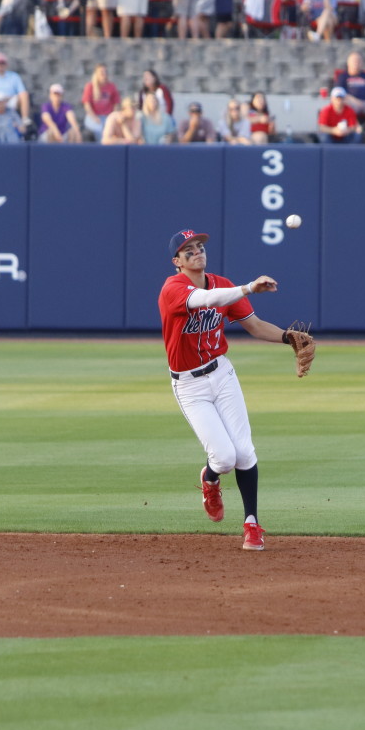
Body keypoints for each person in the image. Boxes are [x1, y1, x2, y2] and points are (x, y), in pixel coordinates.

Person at [158, 228, 299, 552]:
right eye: (188, 250)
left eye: (199, 247)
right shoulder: (173, 288)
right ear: (176, 262)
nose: (197, 252)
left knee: (245, 452)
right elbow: (205, 300)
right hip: (190, 385)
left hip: (222, 374)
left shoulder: (223, 284)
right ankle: (210, 479)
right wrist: (248, 287)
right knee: (223, 457)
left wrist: (288, 338)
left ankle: (252, 524)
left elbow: (255, 325)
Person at [334, 51, 365, 119]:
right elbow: (338, 93)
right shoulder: (343, 76)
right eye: (354, 60)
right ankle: (355, 126)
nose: (356, 63)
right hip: (352, 103)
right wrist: (354, 100)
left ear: (362, 63)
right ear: (348, 63)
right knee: (346, 103)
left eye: (358, 61)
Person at [81, 63, 119, 138]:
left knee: (110, 129)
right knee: (100, 129)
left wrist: (112, 117)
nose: (104, 74)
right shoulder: (90, 86)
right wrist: (94, 118)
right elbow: (87, 106)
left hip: (107, 117)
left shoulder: (111, 86)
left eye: (105, 72)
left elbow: (116, 104)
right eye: (101, 72)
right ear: (96, 74)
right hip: (93, 116)